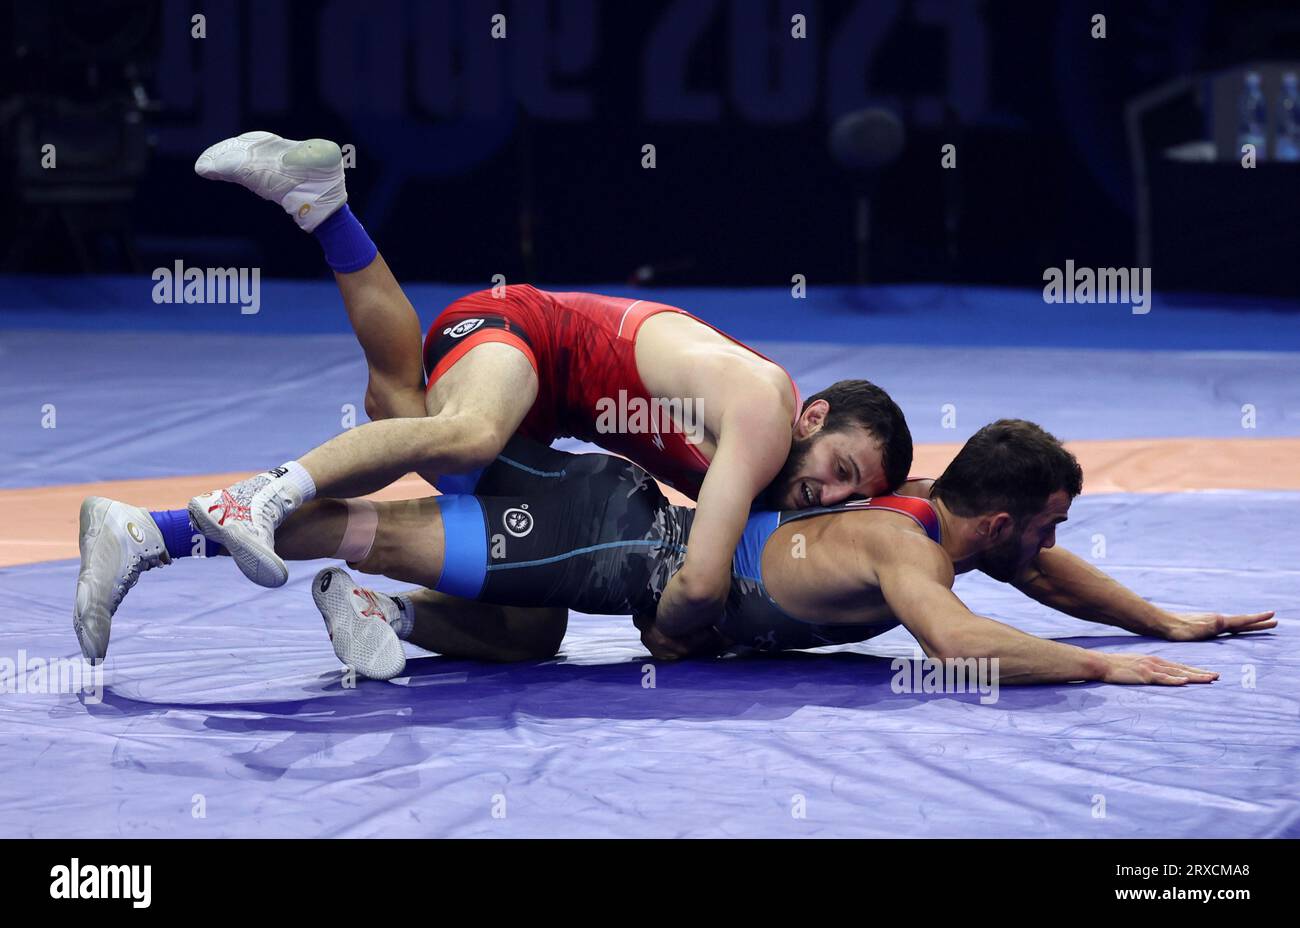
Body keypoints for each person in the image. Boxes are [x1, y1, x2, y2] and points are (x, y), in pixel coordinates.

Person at [72, 130, 911, 661]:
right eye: (839, 465)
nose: (832, 495)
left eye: (852, 492)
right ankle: (254, 496)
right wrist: (684, 627)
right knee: (465, 433)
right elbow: (693, 590)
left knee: (526, 614)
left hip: (551, 412)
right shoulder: (765, 413)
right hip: (528, 333)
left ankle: (324, 211)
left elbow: (939, 503)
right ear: (812, 418)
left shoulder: (784, 474)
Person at [75, 420, 1276, 686]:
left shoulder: (942, 526)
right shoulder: (902, 550)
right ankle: (153, 531)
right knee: (377, 518)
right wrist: (1108, 668)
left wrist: (1156, 619)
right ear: (999, 517)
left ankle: (382, 622)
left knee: (516, 636)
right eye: (1046, 523)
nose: (1052, 551)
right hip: (617, 538)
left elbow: (1034, 574)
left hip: (622, 550)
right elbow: (962, 640)